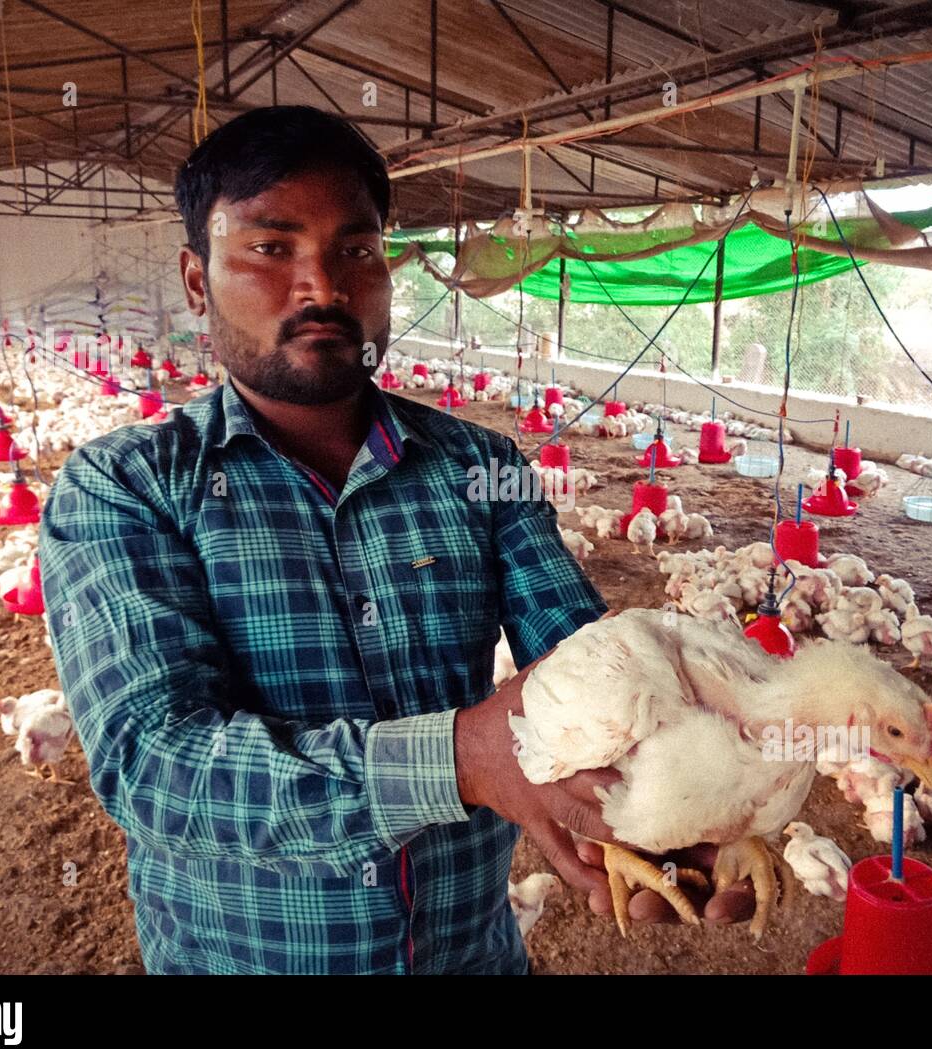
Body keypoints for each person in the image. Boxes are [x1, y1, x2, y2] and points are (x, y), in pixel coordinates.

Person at [40, 105, 750, 975]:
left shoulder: (478, 464)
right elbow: (154, 765)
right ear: (197, 281)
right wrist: (464, 758)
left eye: (356, 249)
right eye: (271, 248)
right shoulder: (127, 488)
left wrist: (666, 797)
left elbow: (591, 662)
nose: (324, 287)